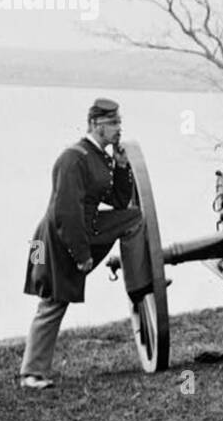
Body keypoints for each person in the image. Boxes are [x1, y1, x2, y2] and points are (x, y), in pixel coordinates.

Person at [20, 98, 152, 389]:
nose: (119, 129)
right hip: (56, 237)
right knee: (54, 300)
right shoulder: (74, 158)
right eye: (113, 123)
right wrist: (81, 255)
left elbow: (119, 201)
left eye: (120, 123)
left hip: (81, 228)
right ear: (95, 124)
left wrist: (120, 166)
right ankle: (31, 374)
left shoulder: (99, 157)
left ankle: (139, 282)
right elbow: (66, 211)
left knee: (133, 219)